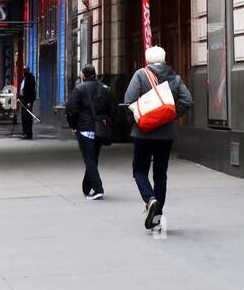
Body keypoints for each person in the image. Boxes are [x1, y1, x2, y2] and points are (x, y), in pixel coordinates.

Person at [124, 46, 193, 230]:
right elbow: (187, 101)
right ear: (164, 59)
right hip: (165, 135)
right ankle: (156, 218)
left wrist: (140, 118)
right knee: (160, 175)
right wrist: (170, 115)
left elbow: (128, 101)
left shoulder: (140, 75)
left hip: (143, 133)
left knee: (139, 170)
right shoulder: (175, 78)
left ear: (147, 59)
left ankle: (150, 198)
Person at [66, 65, 115, 199]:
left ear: (83, 75)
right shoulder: (106, 89)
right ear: (95, 74)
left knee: (89, 159)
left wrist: (74, 126)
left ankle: (98, 188)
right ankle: (87, 186)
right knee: (93, 158)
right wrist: (108, 124)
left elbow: (71, 109)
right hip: (100, 129)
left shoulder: (79, 89)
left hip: (84, 128)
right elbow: (112, 109)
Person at [19, 67, 37, 139]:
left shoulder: (30, 78)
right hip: (23, 99)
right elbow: (22, 89)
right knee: (23, 116)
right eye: (23, 70)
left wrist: (29, 101)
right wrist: (19, 97)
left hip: (28, 100)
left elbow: (31, 91)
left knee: (27, 116)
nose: (24, 72)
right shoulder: (25, 78)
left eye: (25, 70)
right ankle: (25, 132)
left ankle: (28, 133)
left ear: (28, 71)